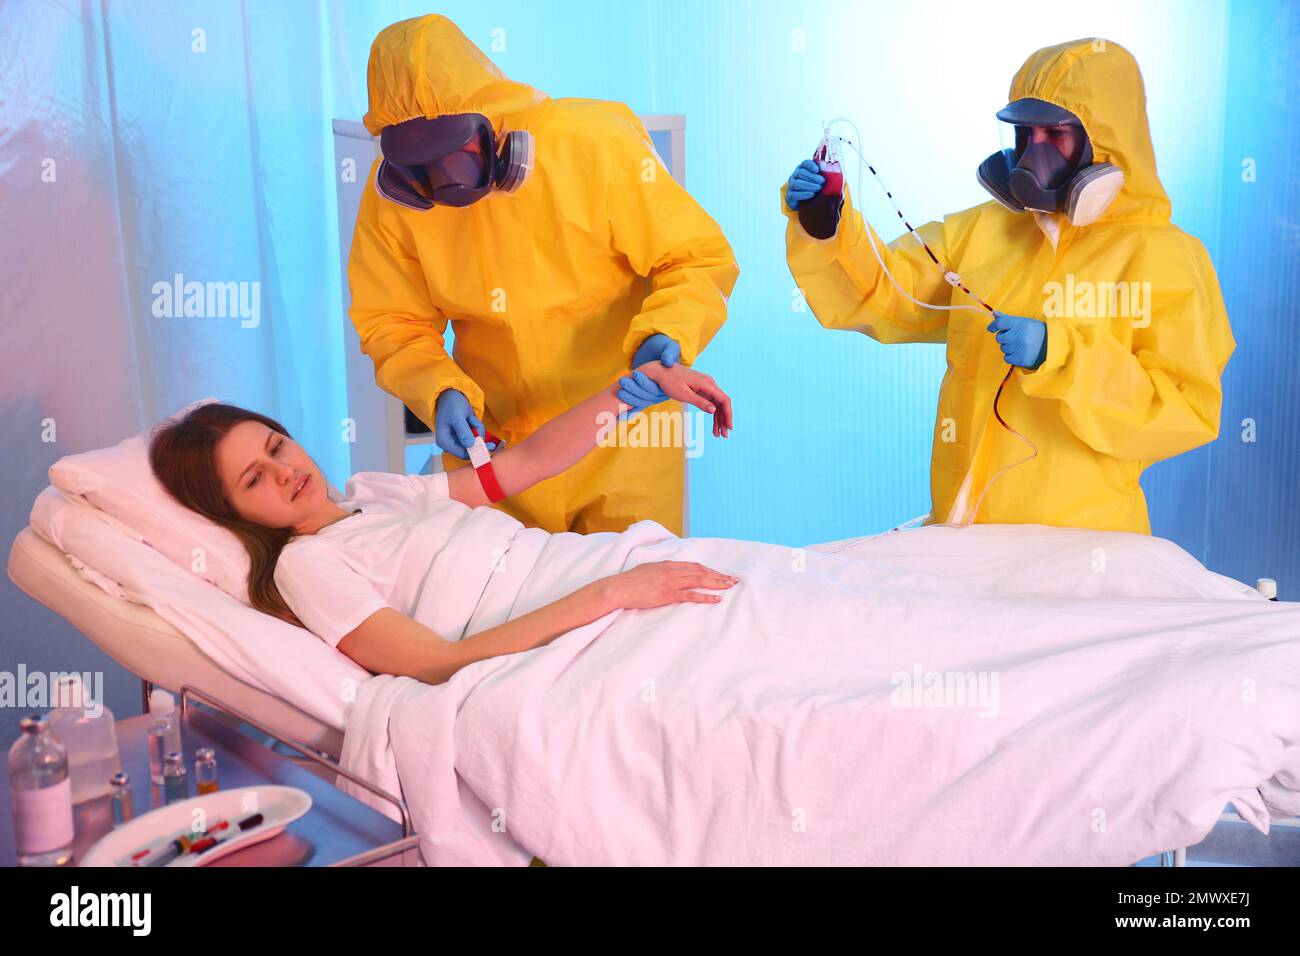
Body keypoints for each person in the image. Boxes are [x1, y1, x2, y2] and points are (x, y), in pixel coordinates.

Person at [782, 38, 1235, 534]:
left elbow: (1183, 409)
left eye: (1055, 134)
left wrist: (1060, 356)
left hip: (1086, 553)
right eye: (1026, 132)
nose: (1034, 152)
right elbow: (885, 294)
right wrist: (825, 224)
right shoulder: (984, 231)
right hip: (964, 536)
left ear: (1103, 141)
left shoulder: (1163, 257)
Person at [349, 14, 739, 538]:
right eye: (419, 163)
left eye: (451, 154)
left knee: (633, 603)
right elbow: (392, 322)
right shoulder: (394, 200)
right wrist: (438, 390)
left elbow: (693, 257)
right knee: (499, 603)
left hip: (622, 435)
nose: (441, 182)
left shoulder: (594, 143)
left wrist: (665, 335)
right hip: (497, 450)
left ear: (495, 127)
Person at [148, 360, 733, 683]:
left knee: (769, 601)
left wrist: (637, 389)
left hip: (583, 569)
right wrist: (613, 593)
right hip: (579, 613)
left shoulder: (373, 492)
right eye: (253, 479)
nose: (282, 472)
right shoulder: (306, 565)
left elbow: (524, 464)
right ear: (232, 514)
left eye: (276, 447)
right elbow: (435, 663)